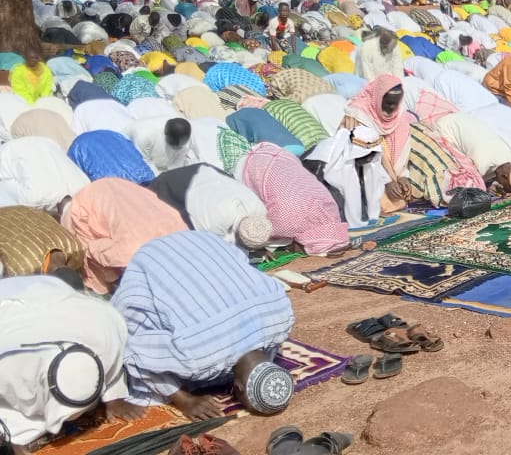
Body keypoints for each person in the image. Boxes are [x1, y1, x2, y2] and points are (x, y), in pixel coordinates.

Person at [111, 231, 296, 420]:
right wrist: (185, 401)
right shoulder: (196, 357)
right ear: (238, 388)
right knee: (122, 331)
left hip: (203, 241)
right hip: (153, 258)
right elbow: (135, 354)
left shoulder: (282, 318)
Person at [0, 276, 139, 453]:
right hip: (10, 300)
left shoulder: (105, 330)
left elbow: (114, 350)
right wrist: (11, 438)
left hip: (54, 297)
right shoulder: (8, 363)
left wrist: (114, 395)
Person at [60, 178, 188, 294]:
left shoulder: (74, 214)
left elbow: (90, 255)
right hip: (175, 233)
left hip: (138, 251)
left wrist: (103, 284)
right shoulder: (108, 184)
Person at [238, 142, 349, 256]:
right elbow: (257, 233)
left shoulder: (330, 208)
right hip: (254, 166)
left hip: (279, 156)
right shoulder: (287, 223)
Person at [147, 164, 272, 250]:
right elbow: (210, 247)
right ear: (239, 236)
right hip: (175, 185)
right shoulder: (213, 223)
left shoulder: (260, 210)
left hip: (209, 174)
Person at [341, 75, 414, 210]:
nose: (392, 108)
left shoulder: (400, 117)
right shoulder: (357, 115)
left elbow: (403, 154)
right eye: (388, 103)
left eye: (396, 103)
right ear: (378, 99)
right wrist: (385, 181)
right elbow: (357, 157)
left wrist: (403, 177)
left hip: (389, 176)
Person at [127, 117, 193, 173]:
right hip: (127, 149)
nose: (178, 147)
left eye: (182, 144)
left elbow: (176, 166)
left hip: (156, 164)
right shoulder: (145, 136)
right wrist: (159, 178)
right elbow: (144, 161)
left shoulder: (185, 140)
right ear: (165, 134)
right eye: (174, 144)